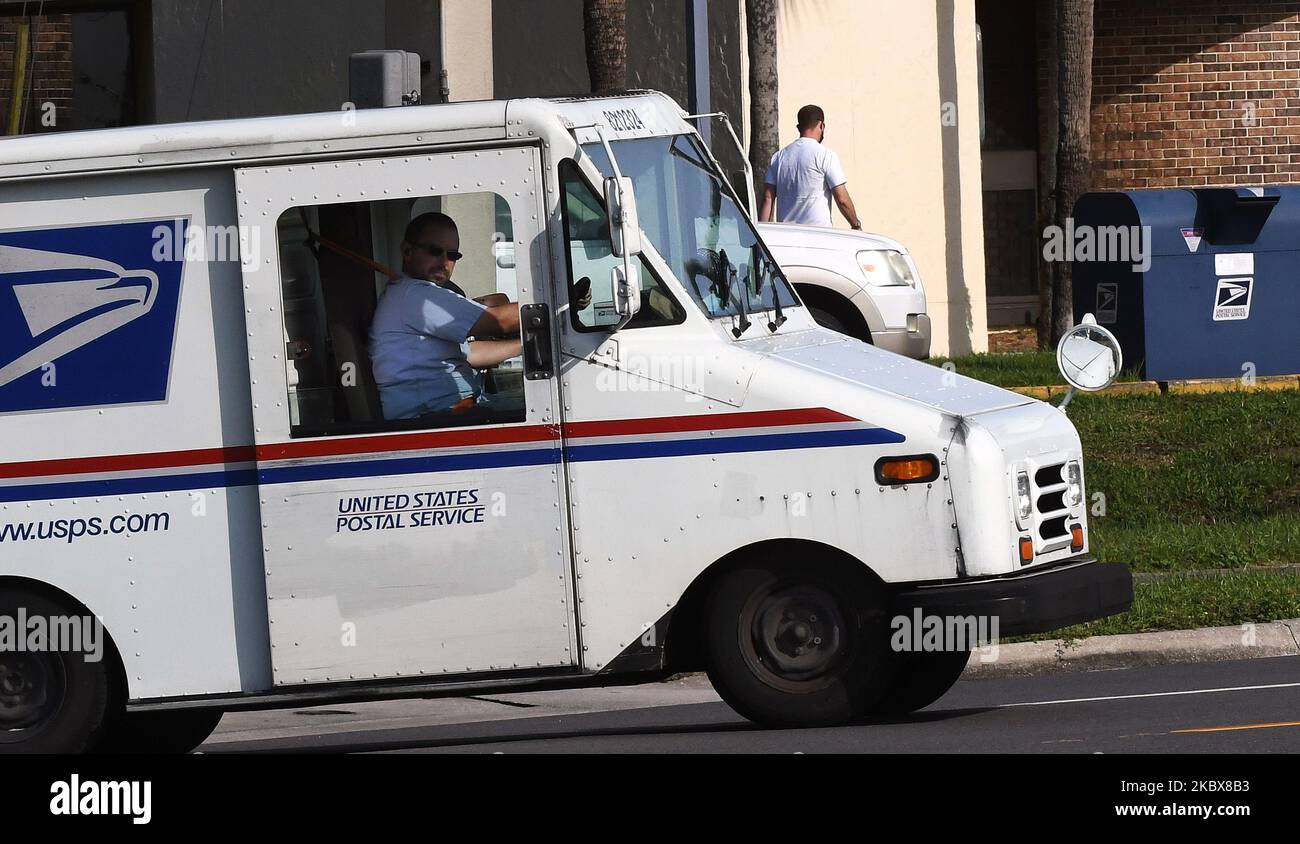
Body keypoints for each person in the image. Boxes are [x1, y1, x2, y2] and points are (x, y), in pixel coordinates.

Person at [369, 212, 522, 420]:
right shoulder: (416, 296)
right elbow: (499, 320)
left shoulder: (414, 294)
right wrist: (550, 307)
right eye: (435, 251)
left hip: (455, 408)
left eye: (452, 255)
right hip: (434, 417)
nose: (444, 262)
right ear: (407, 251)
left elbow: (470, 353)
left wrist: (523, 345)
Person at [759, 104, 863, 231]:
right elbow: (842, 199)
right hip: (818, 237)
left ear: (798, 127)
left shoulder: (778, 157)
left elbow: (768, 198)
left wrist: (761, 233)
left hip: (786, 237)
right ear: (822, 126)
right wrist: (855, 224)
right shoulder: (826, 155)